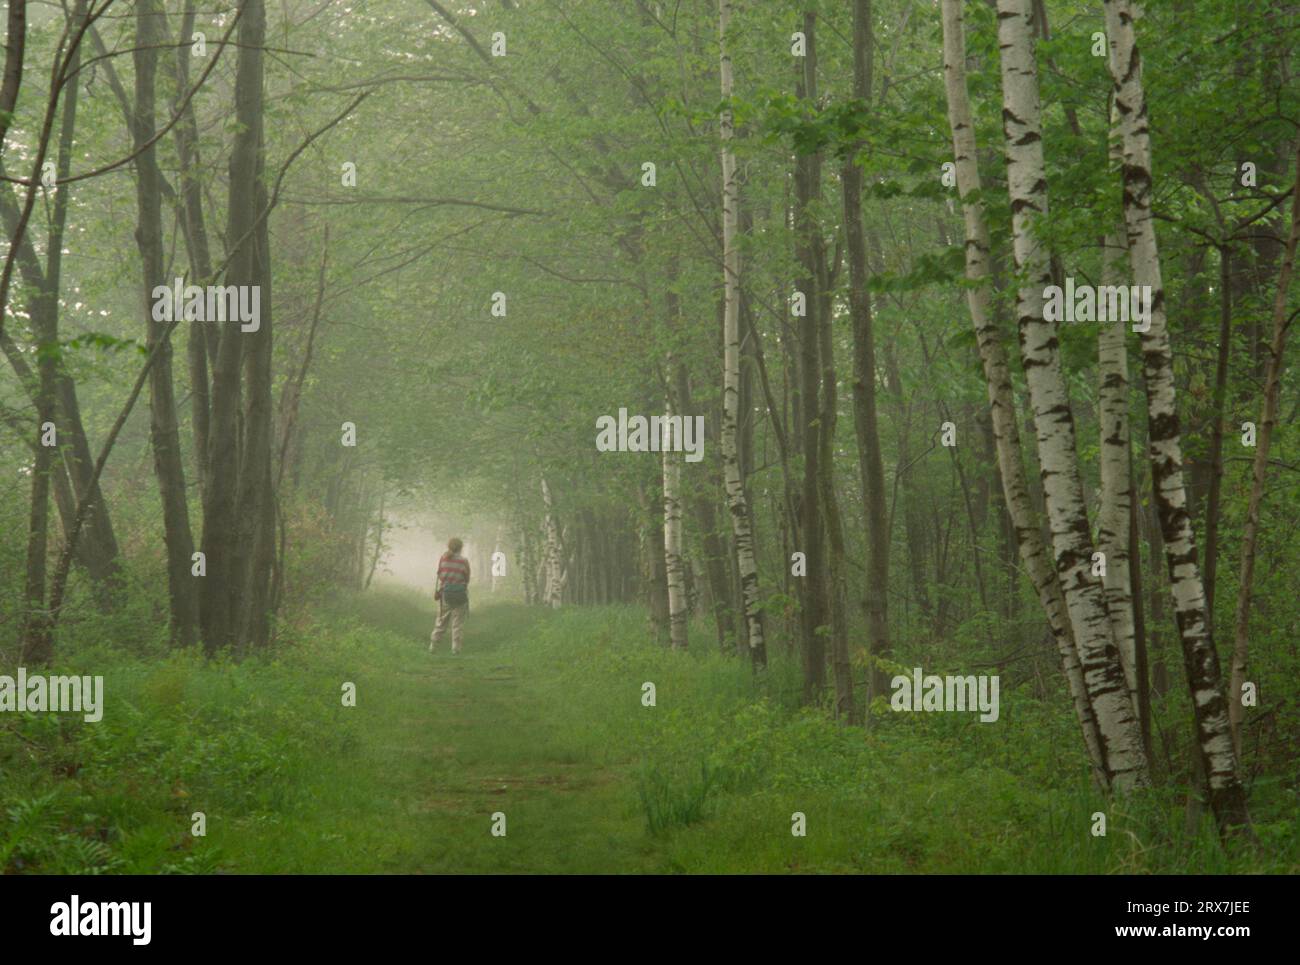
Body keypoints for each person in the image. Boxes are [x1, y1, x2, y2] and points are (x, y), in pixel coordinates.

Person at [430, 537, 471, 654]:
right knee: (457, 623)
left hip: (445, 594)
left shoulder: (443, 559)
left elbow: (440, 576)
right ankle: (455, 649)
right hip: (460, 595)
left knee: (441, 621)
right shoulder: (464, 561)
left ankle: (433, 646)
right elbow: (467, 578)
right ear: (461, 548)